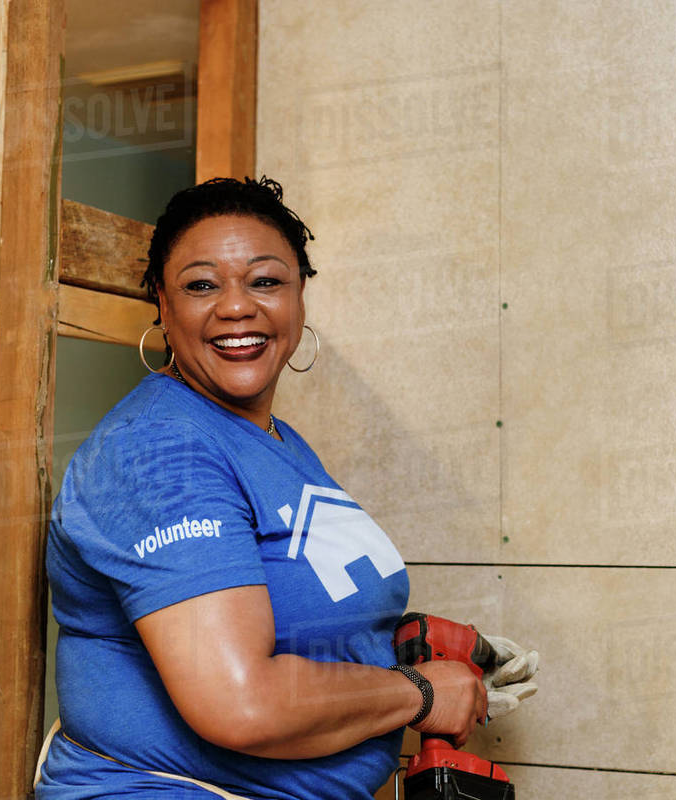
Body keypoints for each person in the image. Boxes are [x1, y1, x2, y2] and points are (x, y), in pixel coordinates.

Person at [35, 177, 537, 799]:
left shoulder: (268, 435)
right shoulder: (159, 452)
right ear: (162, 306)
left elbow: (269, 589)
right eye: (201, 285)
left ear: (300, 298)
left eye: (265, 280)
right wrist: (422, 694)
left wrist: (386, 642)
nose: (236, 307)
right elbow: (240, 702)